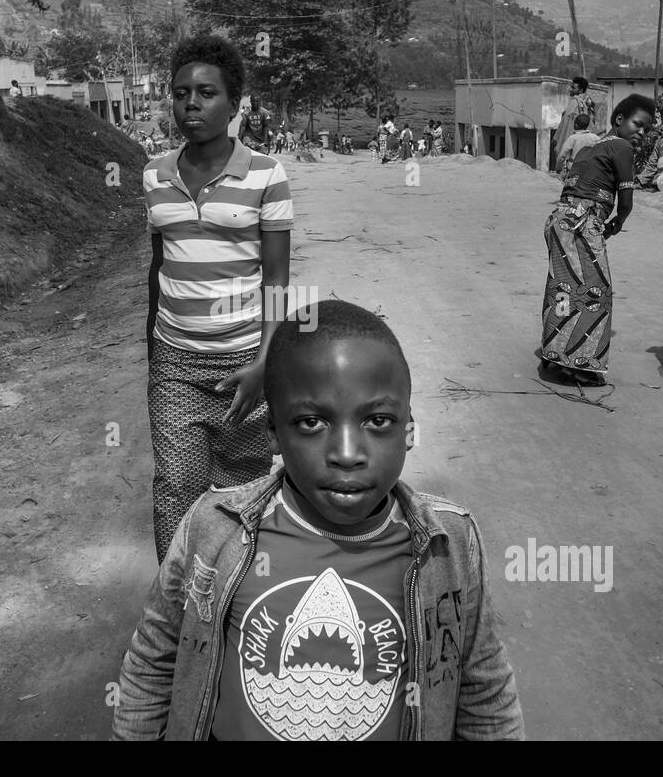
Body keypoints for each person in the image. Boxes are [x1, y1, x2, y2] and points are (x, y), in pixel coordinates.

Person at [112, 299, 526, 741]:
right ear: (273, 430)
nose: (347, 454)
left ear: (408, 426)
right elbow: (154, 661)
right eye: (311, 422)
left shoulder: (450, 544)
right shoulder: (214, 529)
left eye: (378, 420)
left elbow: (484, 692)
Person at [145, 34, 293, 562]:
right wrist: (154, 356)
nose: (192, 103)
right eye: (181, 92)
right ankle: (175, 610)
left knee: (241, 489)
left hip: (244, 361)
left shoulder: (266, 175)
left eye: (206, 92)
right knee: (175, 488)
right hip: (176, 363)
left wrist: (263, 365)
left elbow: (277, 278)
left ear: (234, 103)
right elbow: (160, 267)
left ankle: (234, 597)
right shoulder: (154, 176)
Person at [538, 93, 655, 384]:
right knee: (595, 291)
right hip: (583, 223)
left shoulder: (590, 147)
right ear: (619, 120)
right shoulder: (622, 147)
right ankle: (581, 362)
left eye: (646, 129)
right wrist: (618, 222)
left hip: (559, 221)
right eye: (638, 125)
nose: (641, 133)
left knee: (562, 287)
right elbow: (626, 201)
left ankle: (555, 354)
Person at [551, 76, 596, 171]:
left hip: (571, 147)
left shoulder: (576, 103)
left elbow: (569, 126)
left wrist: (559, 140)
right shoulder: (583, 104)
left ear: (580, 90)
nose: (570, 90)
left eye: (573, 88)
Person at [555, 113, 598, 182]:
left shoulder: (572, 138)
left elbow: (562, 155)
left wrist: (558, 168)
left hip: (574, 171)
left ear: (576, 125)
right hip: (590, 171)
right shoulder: (595, 138)